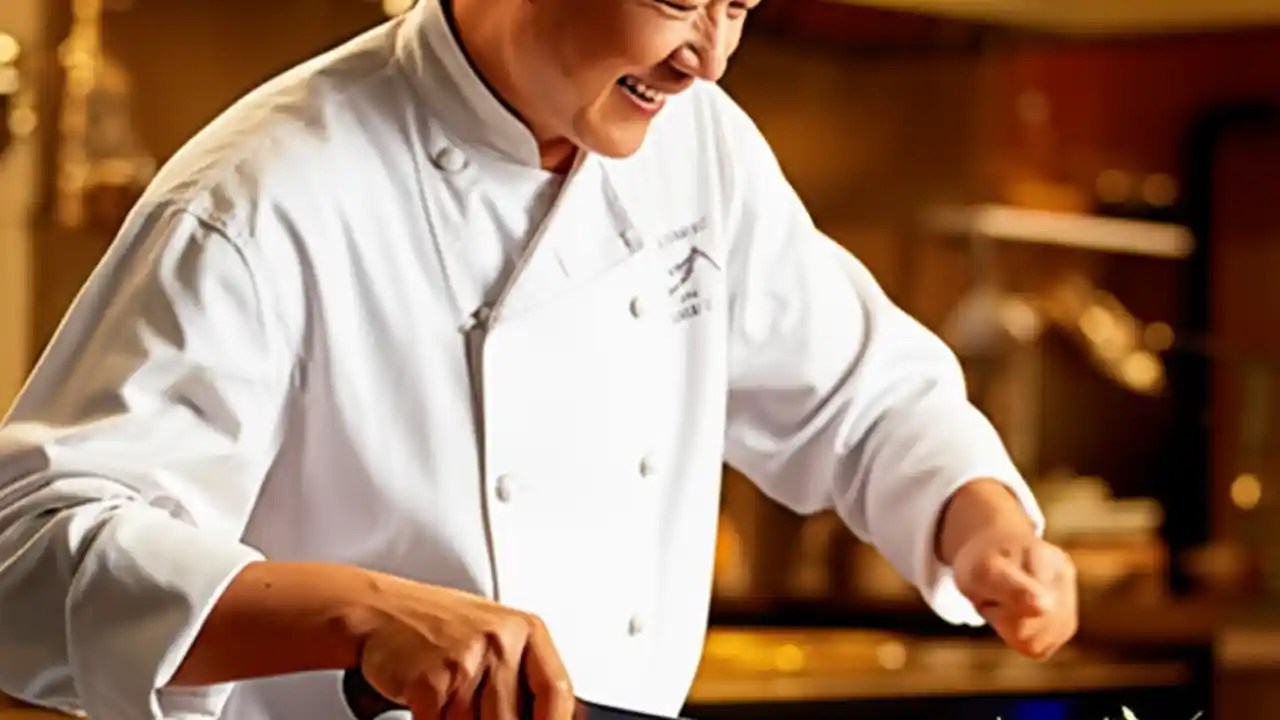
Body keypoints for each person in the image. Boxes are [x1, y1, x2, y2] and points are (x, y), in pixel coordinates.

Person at [0, 0, 1079, 718]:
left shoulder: (698, 144)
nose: (707, 56)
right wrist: (363, 616)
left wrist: (977, 519)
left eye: (739, 5)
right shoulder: (264, 194)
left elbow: (856, 393)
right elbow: (33, 563)